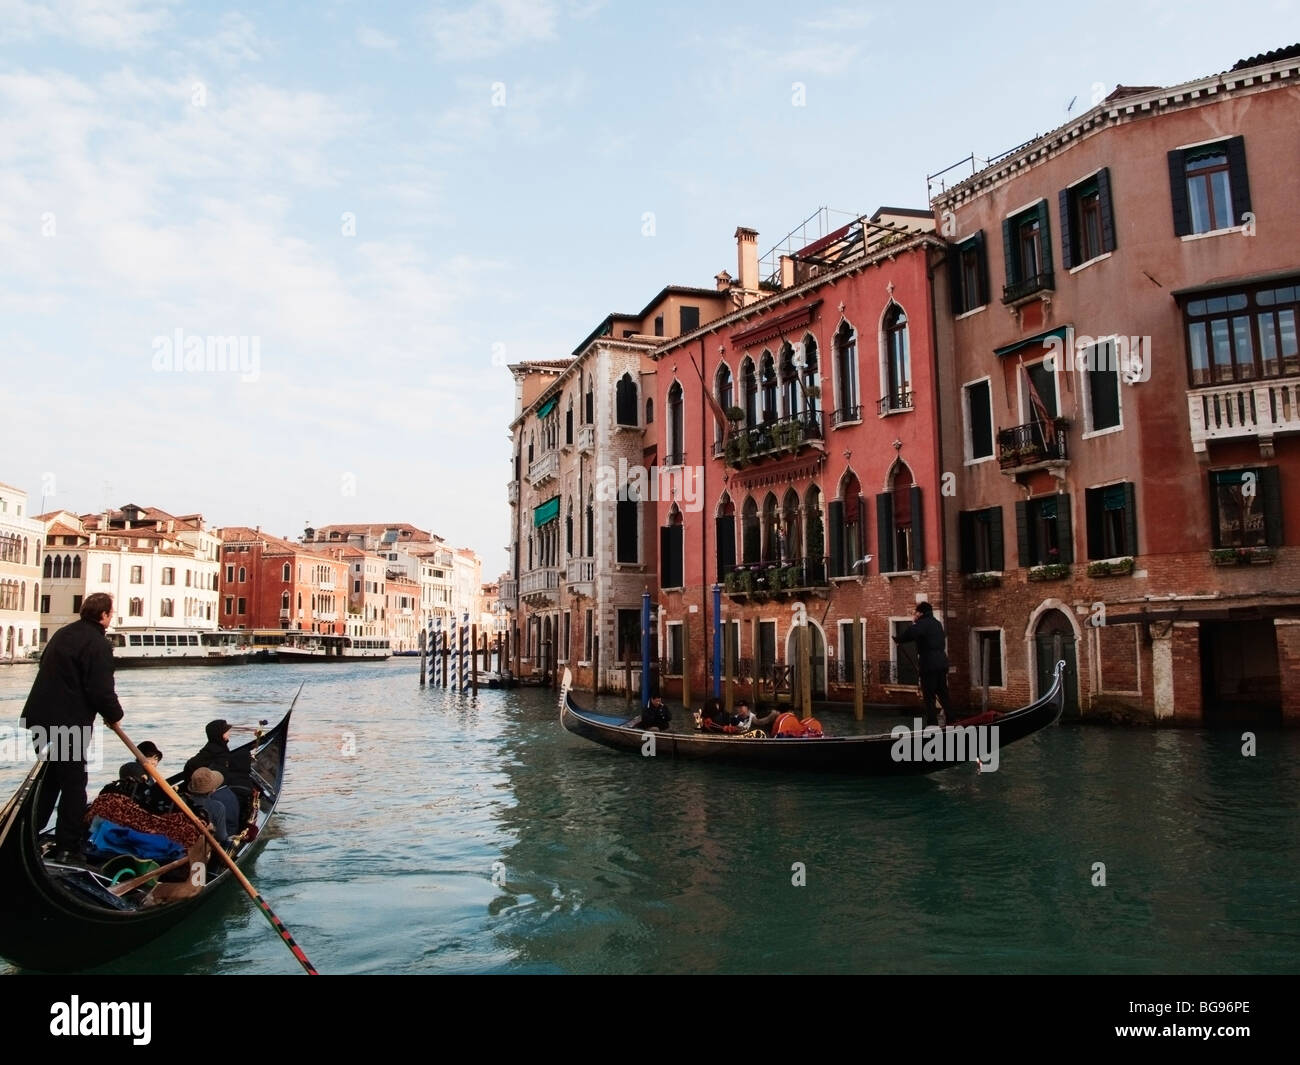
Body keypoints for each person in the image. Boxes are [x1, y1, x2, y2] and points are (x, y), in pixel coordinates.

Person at [21, 592, 125, 863]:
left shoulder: (62, 633)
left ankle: (30, 833)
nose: (110, 617)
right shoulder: (98, 644)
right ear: (104, 615)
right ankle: (67, 847)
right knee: (74, 784)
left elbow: (48, 669)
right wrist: (114, 714)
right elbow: (100, 689)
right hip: (69, 723)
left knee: (51, 778)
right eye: (110, 613)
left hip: (39, 718)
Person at [894, 601, 955, 727]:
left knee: (929, 696)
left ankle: (932, 724)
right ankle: (952, 720)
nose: (914, 615)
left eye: (915, 613)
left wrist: (899, 639)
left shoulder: (922, 623)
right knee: (943, 693)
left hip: (929, 665)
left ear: (920, 613)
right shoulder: (937, 623)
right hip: (942, 663)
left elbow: (912, 632)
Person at [184, 719, 253, 817]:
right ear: (220, 734)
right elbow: (222, 774)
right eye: (226, 731)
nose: (229, 733)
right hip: (209, 790)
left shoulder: (214, 747)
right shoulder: (219, 753)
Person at [184, 767, 239, 846]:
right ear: (213, 790)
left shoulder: (181, 800)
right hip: (201, 848)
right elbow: (221, 837)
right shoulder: (217, 807)